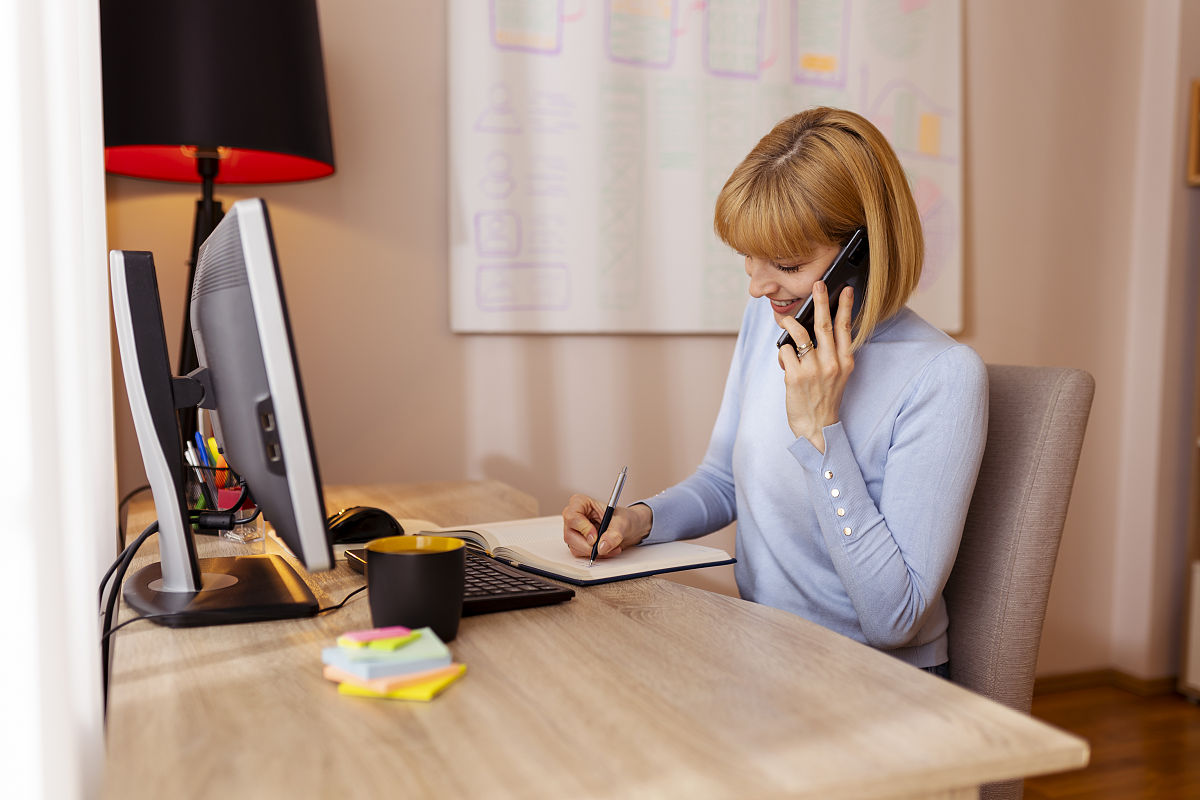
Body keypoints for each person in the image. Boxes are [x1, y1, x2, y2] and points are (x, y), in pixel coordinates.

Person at [561, 107, 987, 674]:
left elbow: (896, 618)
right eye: (749, 258)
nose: (759, 286)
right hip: (762, 652)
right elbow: (722, 481)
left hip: (875, 682)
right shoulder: (772, 321)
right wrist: (635, 521)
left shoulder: (943, 375)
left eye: (785, 263)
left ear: (863, 252)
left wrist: (820, 433)